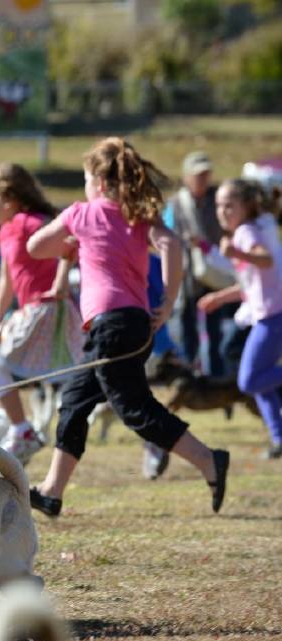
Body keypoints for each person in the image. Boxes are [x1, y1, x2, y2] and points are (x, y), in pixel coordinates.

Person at [26, 137, 230, 517]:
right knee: (74, 401)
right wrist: (167, 303)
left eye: (87, 179)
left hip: (109, 326)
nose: (86, 187)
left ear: (99, 183)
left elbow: (36, 247)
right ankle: (52, 491)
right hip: (132, 323)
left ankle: (208, 460)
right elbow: (171, 246)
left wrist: (69, 243)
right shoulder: (137, 216)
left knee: (134, 408)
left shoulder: (81, 214)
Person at [0, 163, 83, 460]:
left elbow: (71, 245)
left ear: (9, 199)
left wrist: (61, 280)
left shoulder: (29, 223)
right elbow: (8, 278)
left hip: (47, 309)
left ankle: (23, 431)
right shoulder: (7, 230)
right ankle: (23, 430)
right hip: (34, 310)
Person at [198, 179, 282, 460]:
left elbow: (265, 260)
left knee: (249, 381)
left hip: (274, 317)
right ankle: (278, 437)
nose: (222, 211)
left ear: (247, 206)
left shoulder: (246, 232)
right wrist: (220, 297)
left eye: (229, 205)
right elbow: (252, 283)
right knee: (262, 382)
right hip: (268, 314)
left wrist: (236, 252)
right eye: (219, 205)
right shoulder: (251, 229)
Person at [167, 151, 240, 377]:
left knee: (215, 327)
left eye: (205, 174)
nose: (202, 179)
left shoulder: (218, 199)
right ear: (187, 176)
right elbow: (167, 234)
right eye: (198, 175)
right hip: (188, 275)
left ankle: (217, 377)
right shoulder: (177, 203)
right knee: (188, 326)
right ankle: (191, 373)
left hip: (216, 272)